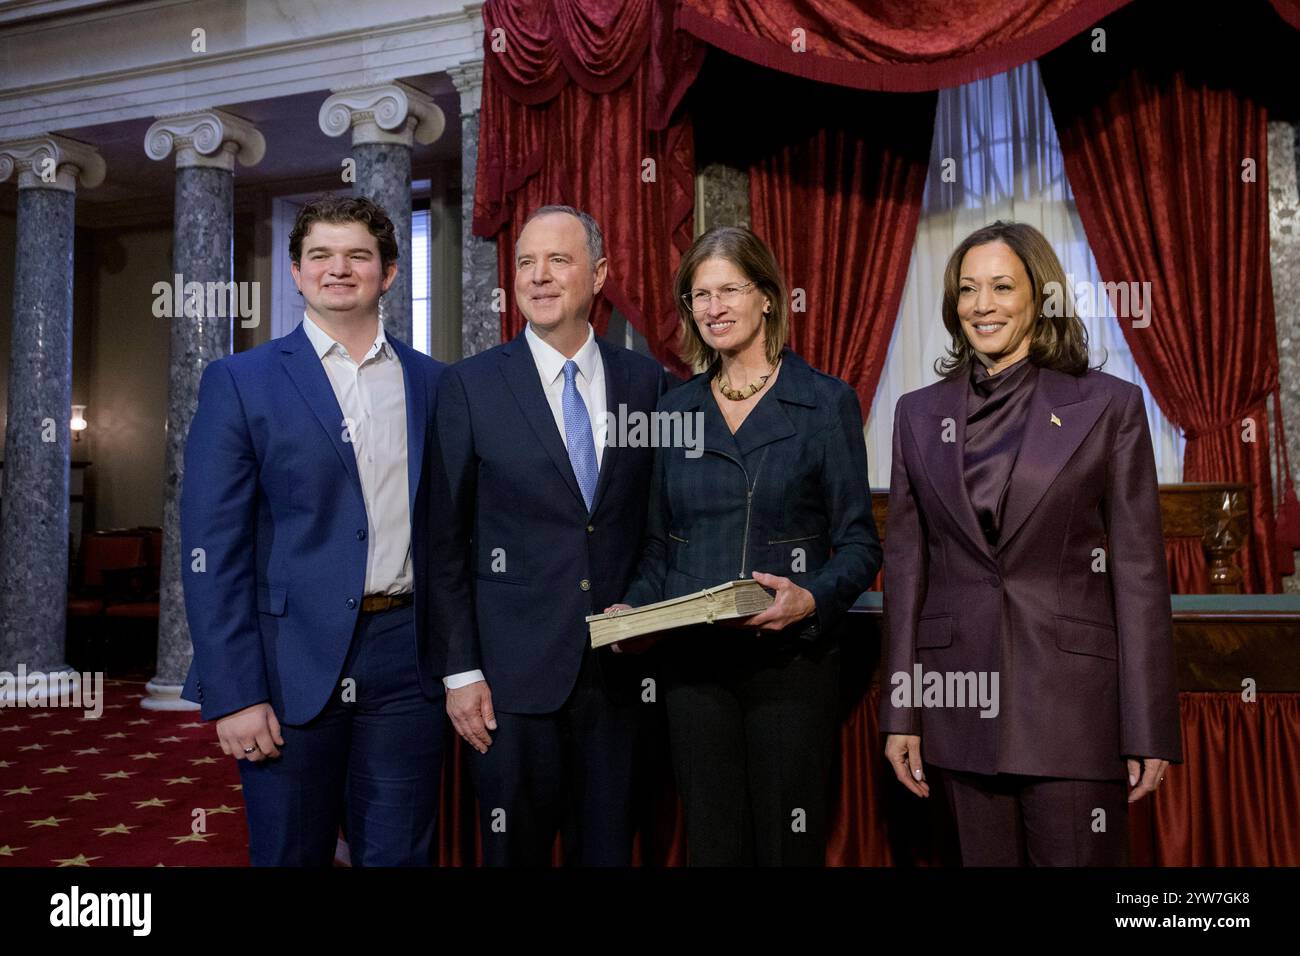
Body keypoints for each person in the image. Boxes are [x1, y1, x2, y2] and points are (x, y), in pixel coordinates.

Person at [880, 220, 1182, 866]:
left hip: (1072, 712)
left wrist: (1148, 725)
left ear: (1040, 296)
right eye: (967, 289)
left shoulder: (1110, 405)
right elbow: (906, 572)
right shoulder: (916, 414)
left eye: (1000, 286)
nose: (981, 305)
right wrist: (901, 712)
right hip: (957, 707)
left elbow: (1138, 576)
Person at [180, 196, 446, 866]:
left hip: (408, 658)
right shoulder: (240, 381)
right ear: (296, 274)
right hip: (285, 661)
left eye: (358, 255)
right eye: (320, 256)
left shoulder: (436, 384)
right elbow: (214, 549)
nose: (339, 268)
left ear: (387, 273)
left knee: (398, 855)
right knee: (290, 853)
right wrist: (234, 691)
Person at [610, 225, 882, 866]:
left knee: (789, 846)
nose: (713, 307)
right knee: (713, 846)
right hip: (693, 672)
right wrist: (635, 611)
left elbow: (860, 546)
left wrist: (808, 598)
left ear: (767, 297)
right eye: (699, 295)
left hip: (789, 668)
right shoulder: (674, 411)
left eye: (729, 288)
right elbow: (657, 549)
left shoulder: (825, 402)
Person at [430, 205, 672, 865]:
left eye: (557, 260)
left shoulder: (647, 383)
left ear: (598, 275)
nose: (538, 276)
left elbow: (659, 522)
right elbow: (442, 545)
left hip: (620, 678)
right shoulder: (469, 387)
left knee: (610, 854)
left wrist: (644, 610)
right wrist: (460, 673)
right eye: (526, 263)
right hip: (509, 684)